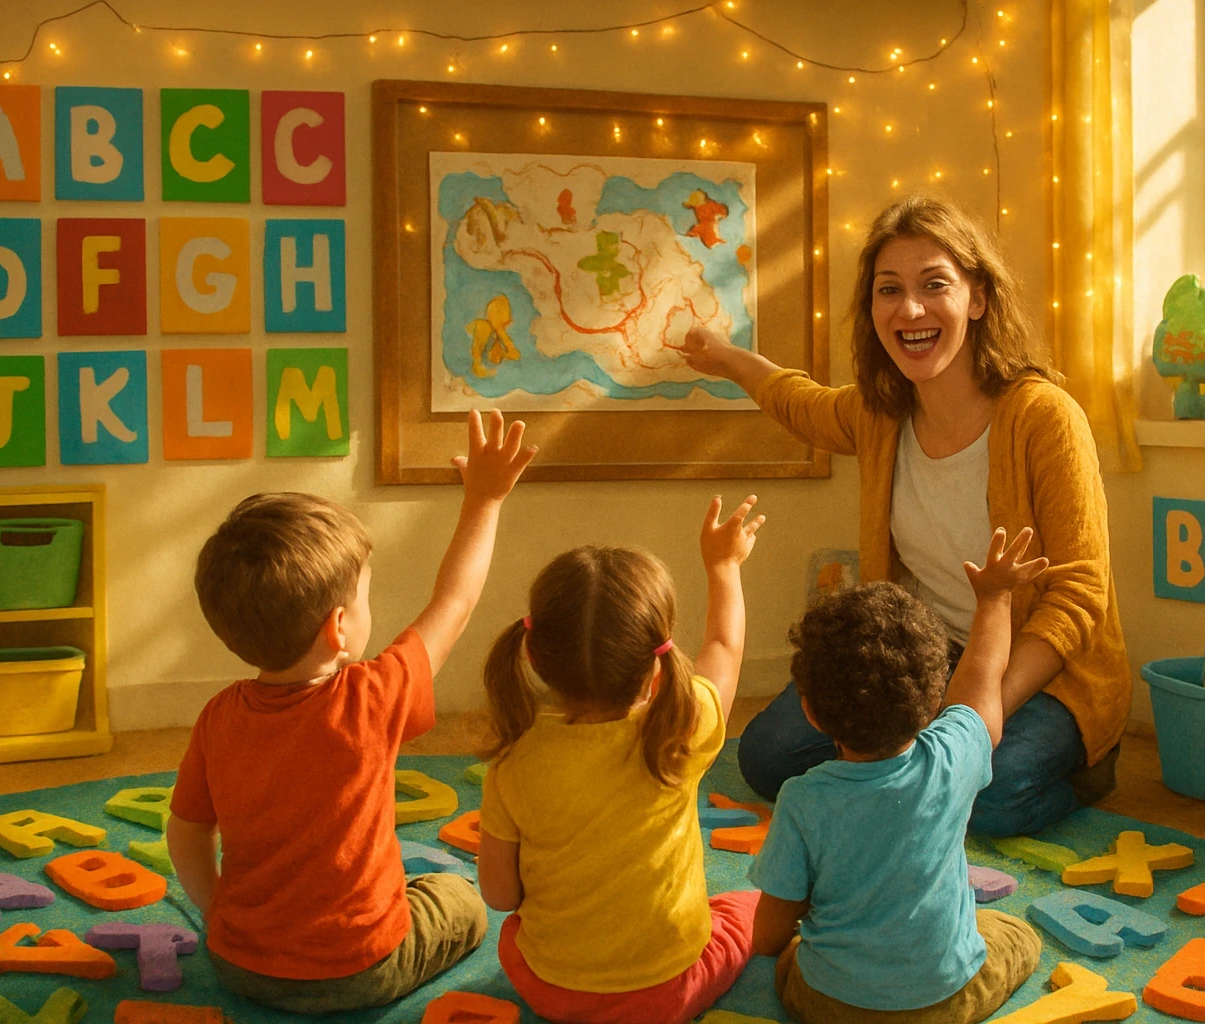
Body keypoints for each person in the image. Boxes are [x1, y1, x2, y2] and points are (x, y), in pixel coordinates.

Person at [683, 193, 1131, 836]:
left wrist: (969, 721)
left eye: (934, 285)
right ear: (873, 309)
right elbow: (800, 402)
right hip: (924, 655)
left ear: (977, 297)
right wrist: (727, 358)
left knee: (987, 795)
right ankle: (913, 777)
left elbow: (1079, 596)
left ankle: (1085, 766)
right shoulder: (879, 413)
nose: (910, 309)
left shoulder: (1044, 417)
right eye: (889, 289)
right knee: (768, 757)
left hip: (1043, 672)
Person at [166, 410, 536, 1013]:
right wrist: (485, 501)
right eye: (365, 595)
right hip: (360, 969)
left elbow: (185, 833)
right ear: (339, 628)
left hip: (238, 965)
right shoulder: (374, 695)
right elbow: (456, 600)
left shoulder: (217, 716)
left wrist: (219, 916)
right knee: (458, 898)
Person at [476, 495, 766, 1024]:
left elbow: (498, 896)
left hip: (550, 989)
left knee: (517, 937)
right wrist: (724, 566)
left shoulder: (514, 760)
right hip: (665, 994)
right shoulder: (683, 729)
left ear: (534, 654)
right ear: (657, 670)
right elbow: (724, 647)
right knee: (749, 907)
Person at [750, 527, 1047, 1022]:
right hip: (943, 1003)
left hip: (831, 1005)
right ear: (933, 702)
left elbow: (766, 937)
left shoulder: (802, 799)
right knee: (1016, 935)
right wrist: (994, 597)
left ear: (812, 713)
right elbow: (981, 679)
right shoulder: (954, 757)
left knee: (790, 962)